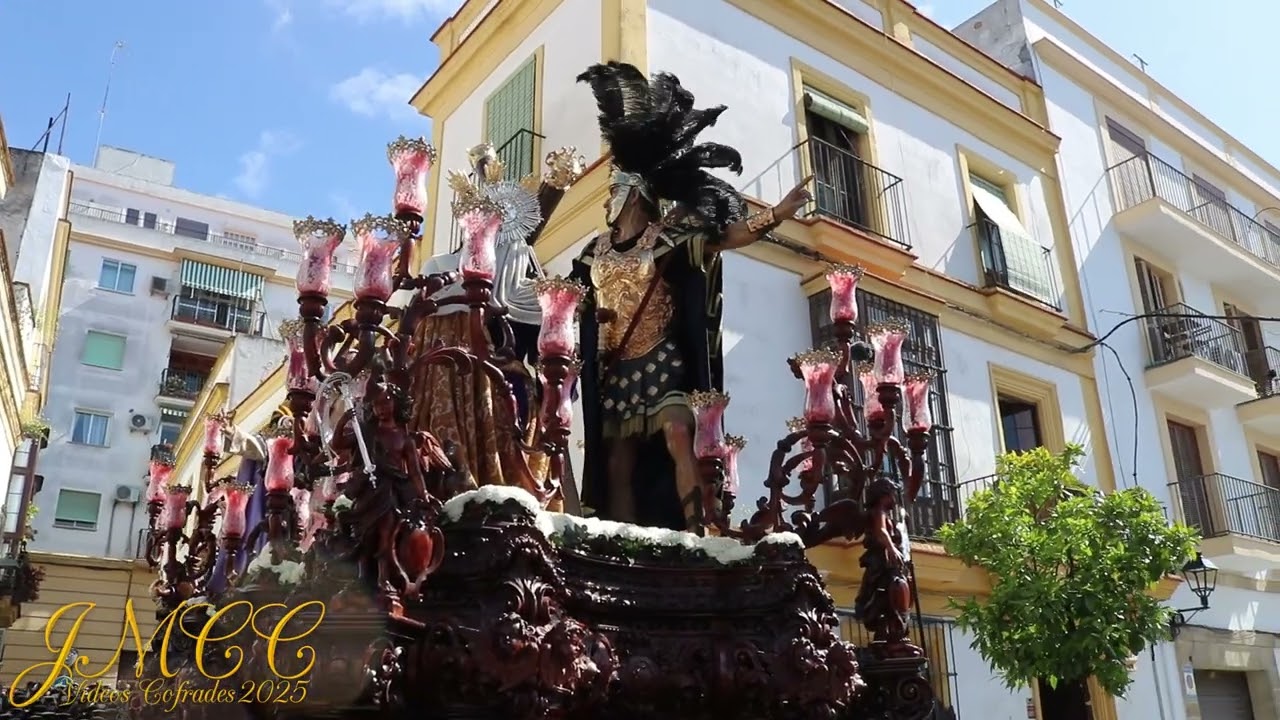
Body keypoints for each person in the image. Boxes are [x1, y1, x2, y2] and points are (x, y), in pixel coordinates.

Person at [572, 62, 812, 531]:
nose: (605, 201)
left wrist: (777, 214)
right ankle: (623, 537)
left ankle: (696, 528)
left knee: (679, 431)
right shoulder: (591, 253)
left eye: (612, 192)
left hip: (664, 357)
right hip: (615, 367)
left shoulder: (667, 242)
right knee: (617, 458)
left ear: (633, 195)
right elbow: (571, 298)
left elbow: (723, 237)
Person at [411, 144, 584, 501]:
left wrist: (540, 376)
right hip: (451, 401)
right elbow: (421, 347)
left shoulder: (535, 297)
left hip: (511, 406)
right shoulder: (440, 270)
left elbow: (553, 366)